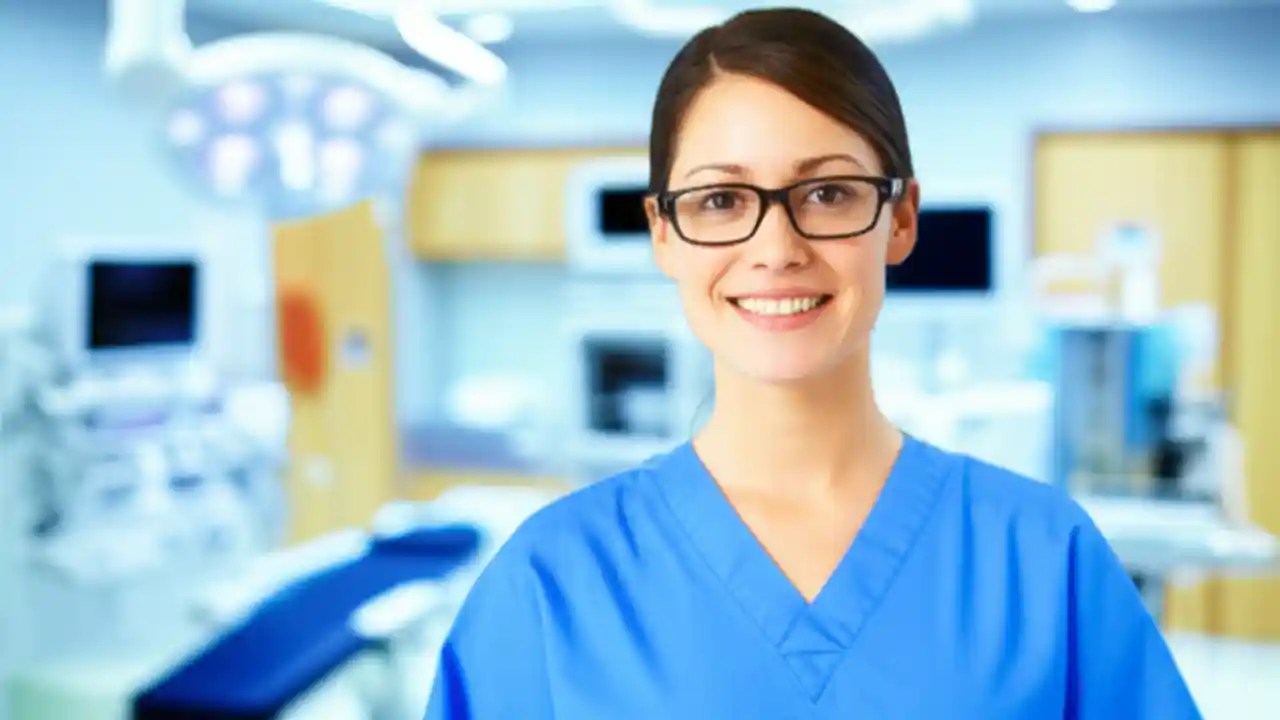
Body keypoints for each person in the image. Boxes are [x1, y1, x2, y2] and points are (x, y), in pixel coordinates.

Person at [425, 7, 1201, 719]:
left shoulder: (1040, 561)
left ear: (899, 220)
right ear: (662, 232)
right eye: (721, 201)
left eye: (828, 193)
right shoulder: (553, 581)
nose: (776, 250)